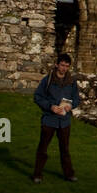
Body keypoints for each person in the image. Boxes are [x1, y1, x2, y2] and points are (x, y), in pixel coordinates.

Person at [32, 52, 80, 183]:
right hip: (49, 119)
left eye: (67, 66)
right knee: (43, 148)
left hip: (64, 121)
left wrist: (71, 105)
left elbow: (76, 98)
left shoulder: (72, 82)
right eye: (62, 65)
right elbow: (37, 97)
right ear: (57, 64)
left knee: (65, 149)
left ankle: (69, 174)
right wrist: (50, 106)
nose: (64, 68)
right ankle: (37, 174)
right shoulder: (47, 80)